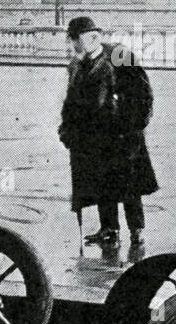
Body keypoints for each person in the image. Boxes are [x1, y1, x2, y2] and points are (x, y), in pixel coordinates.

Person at [57, 17, 158, 250]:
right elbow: (71, 102)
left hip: (122, 134)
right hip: (92, 138)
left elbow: (143, 92)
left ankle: (137, 231)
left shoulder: (118, 54)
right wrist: (67, 130)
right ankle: (109, 230)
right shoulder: (77, 65)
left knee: (129, 185)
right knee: (102, 183)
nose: (80, 43)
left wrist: (132, 126)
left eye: (93, 35)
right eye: (81, 38)